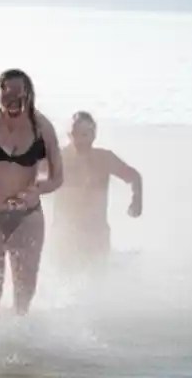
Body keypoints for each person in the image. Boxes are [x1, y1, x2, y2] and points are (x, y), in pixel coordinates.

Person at [0, 69, 64, 316]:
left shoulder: (42, 127)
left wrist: (36, 190)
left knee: (24, 293)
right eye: (6, 93)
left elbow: (58, 178)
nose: (13, 99)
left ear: (29, 94)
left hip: (26, 217)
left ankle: (21, 344)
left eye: (20, 93)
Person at [52, 111, 143, 267]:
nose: (80, 139)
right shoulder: (58, 159)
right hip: (65, 235)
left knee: (98, 279)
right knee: (64, 279)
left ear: (94, 135)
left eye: (85, 134)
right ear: (69, 135)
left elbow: (134, 177)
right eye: (76, 134)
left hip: (96, 233)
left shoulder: (104, 159)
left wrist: (137, 200)